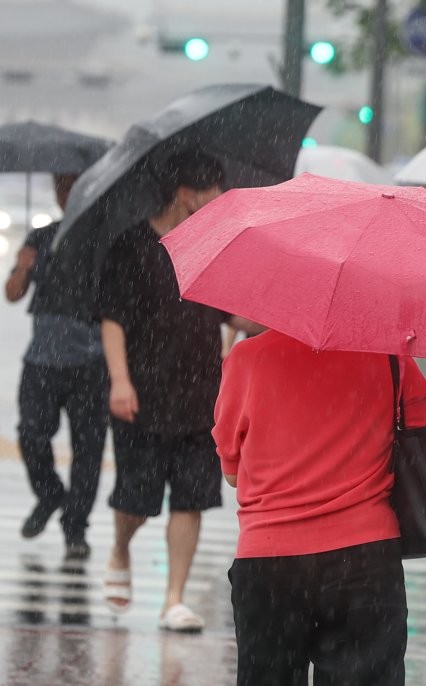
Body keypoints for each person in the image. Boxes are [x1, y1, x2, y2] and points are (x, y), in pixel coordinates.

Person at [97, 150, 259, 631]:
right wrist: (120, 381)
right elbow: (112, 319)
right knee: (136, 500)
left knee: (191, 498)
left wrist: (274, 311)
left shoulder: (211, 248)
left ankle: (174, 599)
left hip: (201, 395)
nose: (219, 202)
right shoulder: (131, 247)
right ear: (187, 194)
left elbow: (236, 315)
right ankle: (121, 547)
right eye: (213, 194)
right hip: (141, 395)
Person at [213, 335, 426, 686]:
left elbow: (232, 473)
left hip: (270, 561)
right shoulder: (390, 357)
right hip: (365, 558)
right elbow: (419, 435)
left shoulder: (247, 358)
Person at [4, 174, 107, 560]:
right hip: (42, 358)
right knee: (31, 434)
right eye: (60, 187)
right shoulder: (42, 236)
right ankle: (49, 495)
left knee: (88, 450)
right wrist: (22, 267)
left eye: (72, 186)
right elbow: (13, 294)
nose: (65, 194)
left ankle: (75, 527)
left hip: (91, 363)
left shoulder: (105, 237)